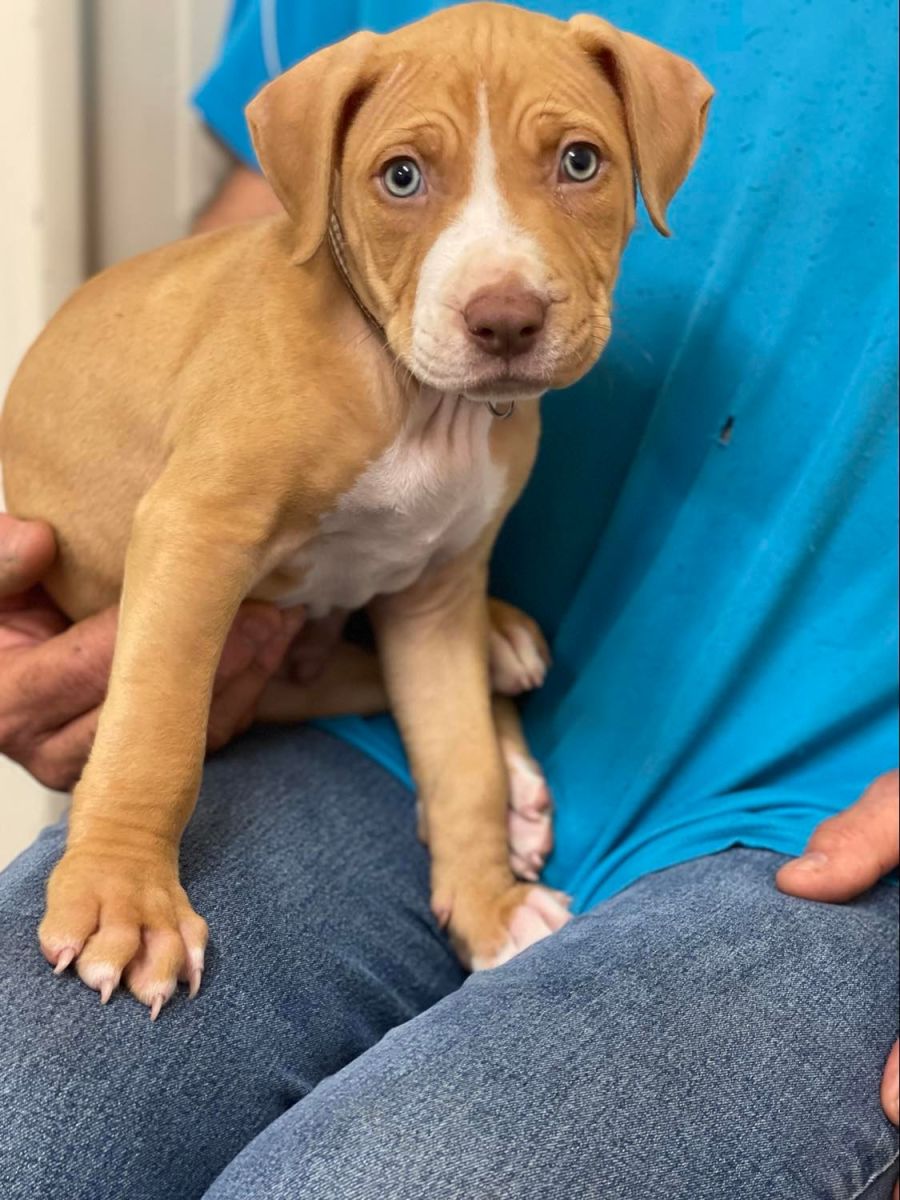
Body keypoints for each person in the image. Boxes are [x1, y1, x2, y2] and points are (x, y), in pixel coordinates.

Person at [1, 1, 897, 1197]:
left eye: (576, 162)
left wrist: (478, 871)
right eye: (404, 175)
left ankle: (473, 867)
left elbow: (431, 591)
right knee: (28, 1119)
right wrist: (123, 836)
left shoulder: (492, 422)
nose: (504, 284)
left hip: (816, 802)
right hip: (281, 694)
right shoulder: (329, 337)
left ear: (648, 149)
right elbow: (198, 515)